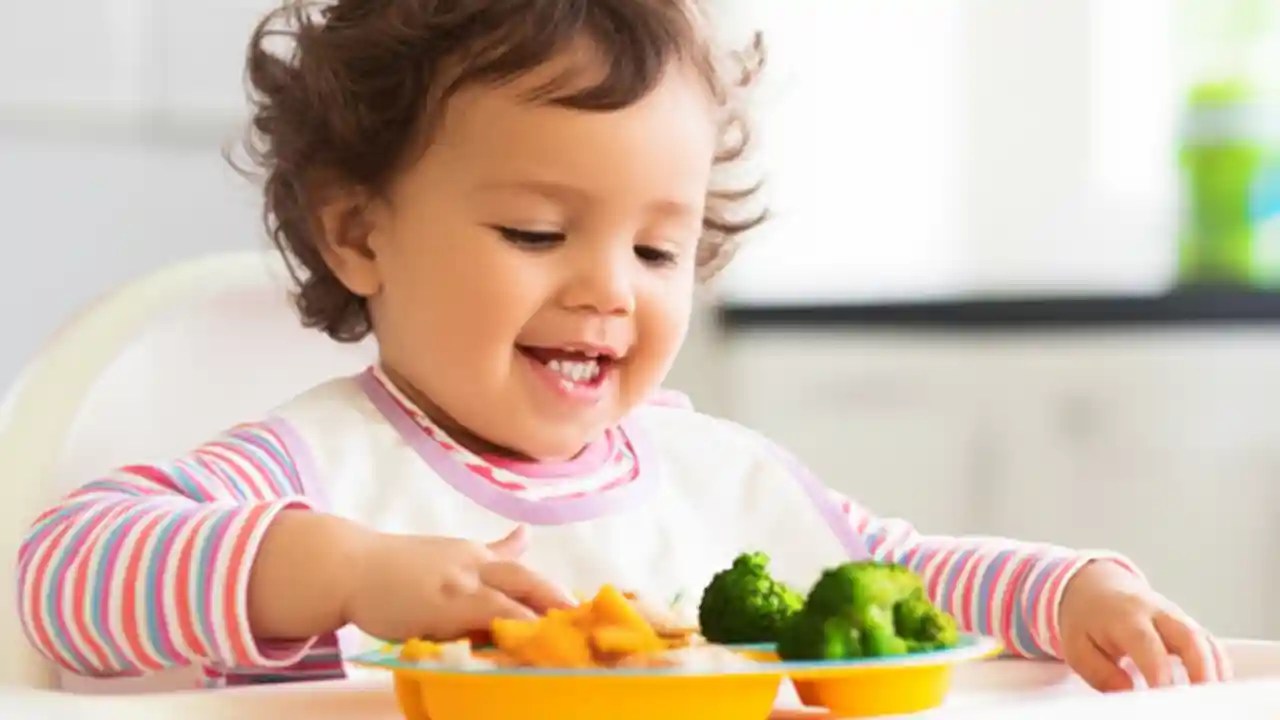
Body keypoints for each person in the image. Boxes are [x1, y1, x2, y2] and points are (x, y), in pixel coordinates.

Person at [16, 0, 1229, 693]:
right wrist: (342, 573)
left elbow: (898, 575)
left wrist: (1071, 589)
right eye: (537, 230)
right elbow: (65, 575)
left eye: (658, 252)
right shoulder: (309, 472)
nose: (606, 289)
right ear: (357, 230)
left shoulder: (720, 484)